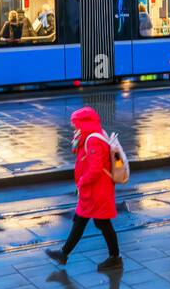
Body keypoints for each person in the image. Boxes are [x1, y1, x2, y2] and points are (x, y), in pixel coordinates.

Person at [45, 106, 123, 272]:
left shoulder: (93, 140)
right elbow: (80, 153)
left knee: (100, 223)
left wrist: (81, 182)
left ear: (84, 123)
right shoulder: (91, 135)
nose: (74, 127)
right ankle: (64, 254)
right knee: (83, 221)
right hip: (93, 191)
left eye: (76, 124)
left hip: (97, 190)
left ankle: (115, 258)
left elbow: (95, 168)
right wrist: (77, 140)